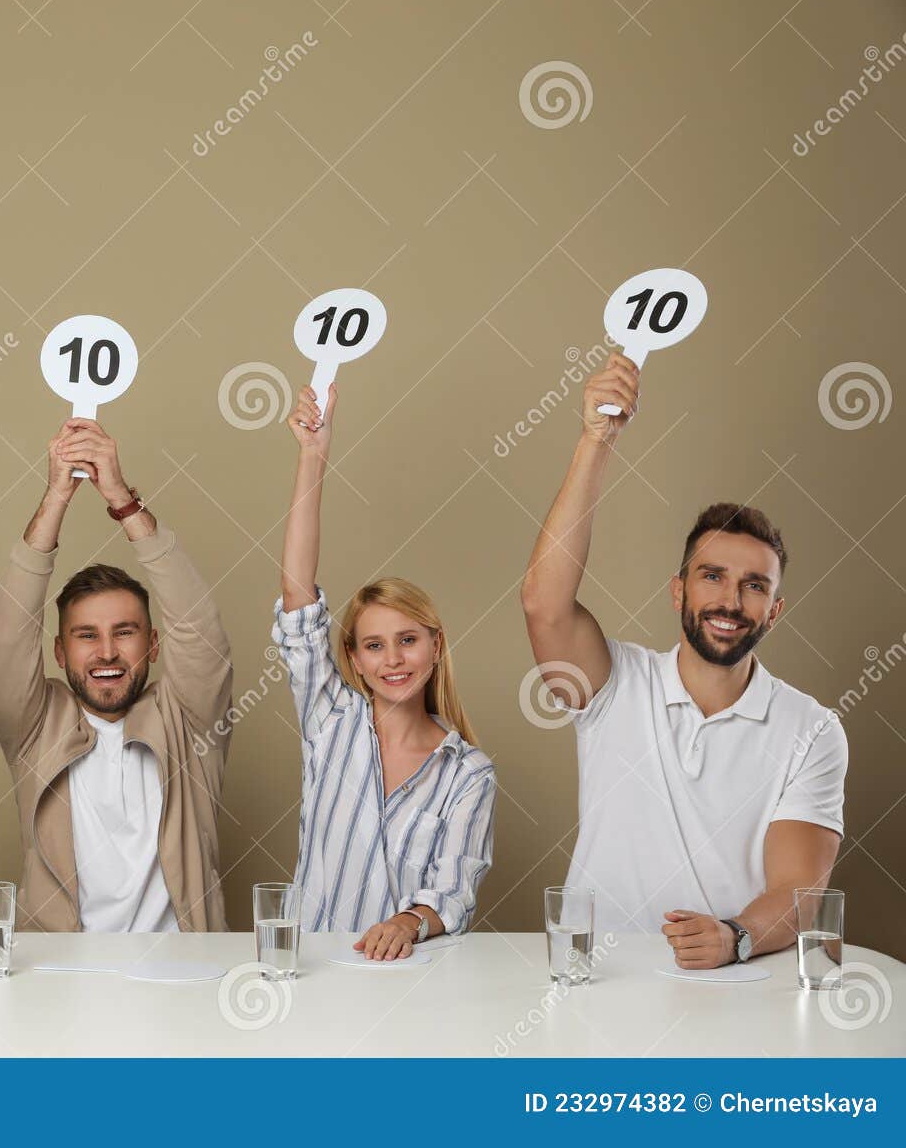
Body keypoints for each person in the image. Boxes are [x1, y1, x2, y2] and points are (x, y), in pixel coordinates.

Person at [520, 355, 847, 968]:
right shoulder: (615, 685)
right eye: (712, 577)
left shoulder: (813, 730)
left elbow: (799, 889)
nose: (729, 600)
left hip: (735, 990)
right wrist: (596, 439)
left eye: (754, 586)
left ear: (775, 610)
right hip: (598, 983)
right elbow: (544, 603)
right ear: (679, 591)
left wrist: (734, 936)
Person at [272, 383, 496, 960]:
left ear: (435, 645)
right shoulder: (331, 722)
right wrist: (312, 455)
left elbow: (452, 893)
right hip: (310, 973)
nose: (393, 659)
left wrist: (409, 922)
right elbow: (297, 594)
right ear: (353, 659)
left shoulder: (468, 772)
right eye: (374, 645)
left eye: (407, 640)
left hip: (407, 987)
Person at [0, 418, 233, 932]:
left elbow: (199, 626)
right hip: (62, 983)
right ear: (58, 651)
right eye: (85, 635)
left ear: (154, 645)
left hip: (180, 980)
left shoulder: (187, 718)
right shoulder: (37, 724)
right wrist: (57, 494)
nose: (106, 652)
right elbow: (9, 635)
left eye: (124, 632)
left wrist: (121, 498)